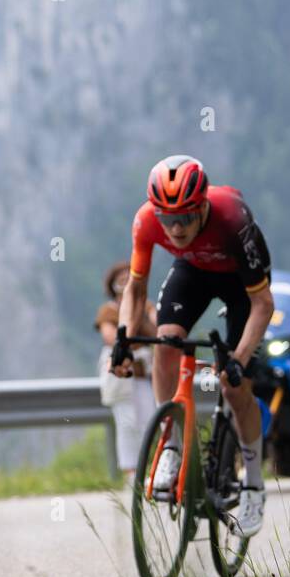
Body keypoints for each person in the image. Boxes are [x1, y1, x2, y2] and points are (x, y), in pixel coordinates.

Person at [110, 155, 274, 536]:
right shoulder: (146, 220)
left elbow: (264, 304)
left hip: (241, 282)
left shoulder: (233, 220)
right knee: (166, 343)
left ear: (203, 206)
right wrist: (123, 338)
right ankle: (170, 446)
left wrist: (239, 360)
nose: (176, 227)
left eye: (185, 216)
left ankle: (253, 482)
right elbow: (135, 288)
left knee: (235, 389)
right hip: (193, 272)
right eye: (167, 219)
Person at [96, 262, 156, 478]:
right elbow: (110, 337)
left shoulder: (146, 307)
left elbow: (156, 332)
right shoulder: (109, 311)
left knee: (149, 420)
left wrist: (137, 310)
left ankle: (150, 468)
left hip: (143, 375)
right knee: (127, 422)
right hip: (122, 374)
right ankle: (132, 472)